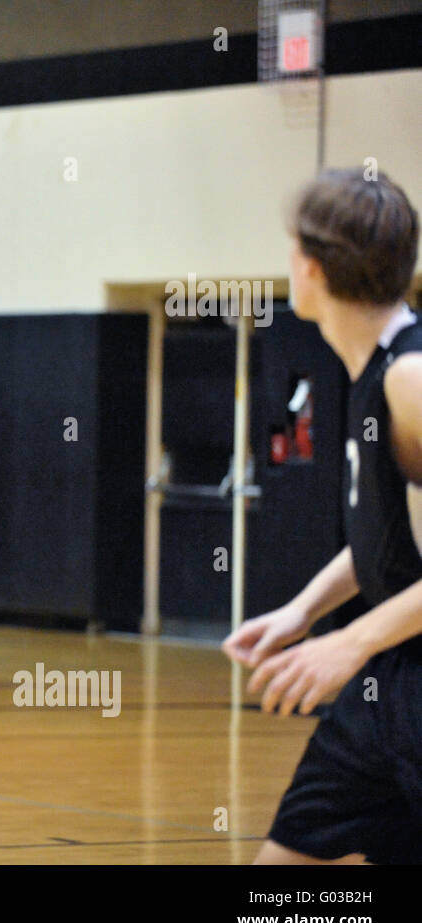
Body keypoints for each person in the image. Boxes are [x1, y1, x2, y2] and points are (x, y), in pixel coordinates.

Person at [223, 169, 422, 864]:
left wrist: (349, 643)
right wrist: (303, 613)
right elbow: (390, 536)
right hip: (386, 689)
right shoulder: (372, 372)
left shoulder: (411, 376)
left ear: (311, 265)